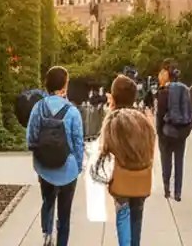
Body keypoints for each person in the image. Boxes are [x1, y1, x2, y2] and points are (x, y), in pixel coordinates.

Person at [27, 66, 86, 246]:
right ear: (65, 85)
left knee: (47, 199)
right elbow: (78, 142)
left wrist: (39, 157)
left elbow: (30, 137)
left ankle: (46, 231)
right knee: (65, 211)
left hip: (44, 166)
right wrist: (78, 165)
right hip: (67, 168)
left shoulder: (38, 107)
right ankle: (62, 241)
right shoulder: (72, 111)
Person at [97, 74, 155, 246]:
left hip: (121, 176)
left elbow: (105, 148)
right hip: (142, 176)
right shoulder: (143, 120)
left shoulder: (113, 119)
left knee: (122, 215)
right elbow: (151, 146)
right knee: (137, 216)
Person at [155, 65, 192, 200]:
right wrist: (186, 131)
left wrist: (159, 132)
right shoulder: (185, 90)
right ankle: (178, 192)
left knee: (166, 161)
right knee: (179, 162)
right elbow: (189, 112)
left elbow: (160, 115)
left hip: (166, 132)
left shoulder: (163, 92)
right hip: (181, 132)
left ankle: (167, 189)